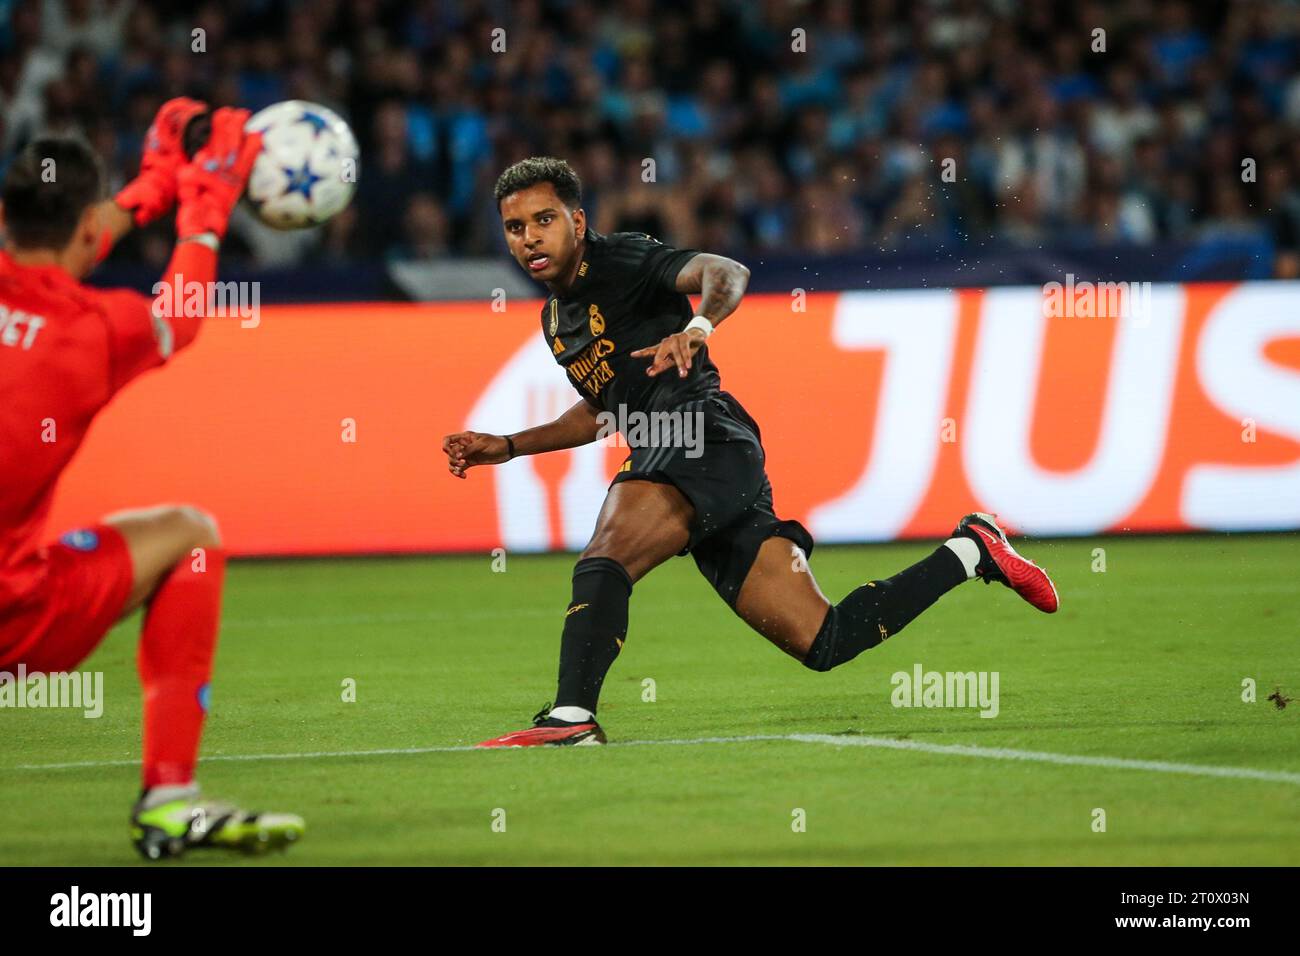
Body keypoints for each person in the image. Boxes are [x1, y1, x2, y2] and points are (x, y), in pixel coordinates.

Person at [443, 157, 1059, 748]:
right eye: (515, 227)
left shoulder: (624, 258)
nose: (529, 238)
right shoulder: (557, 319)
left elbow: (727, 273)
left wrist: (697, 328)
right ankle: (971, 549)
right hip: (688, 453)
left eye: (543, 220)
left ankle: (572, 715)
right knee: (824, 640)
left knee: (607, 555)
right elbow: (607, 407)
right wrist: (510, 445)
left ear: (578, 221)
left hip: (698, 435)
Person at [0, 100, 305, 858]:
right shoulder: (97, 331)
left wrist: (150, 188)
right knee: (192, 537)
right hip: (16, 621)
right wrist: (203, 206)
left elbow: (66, 238)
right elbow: (184, 313)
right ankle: (169, 798)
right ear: (83, 232)